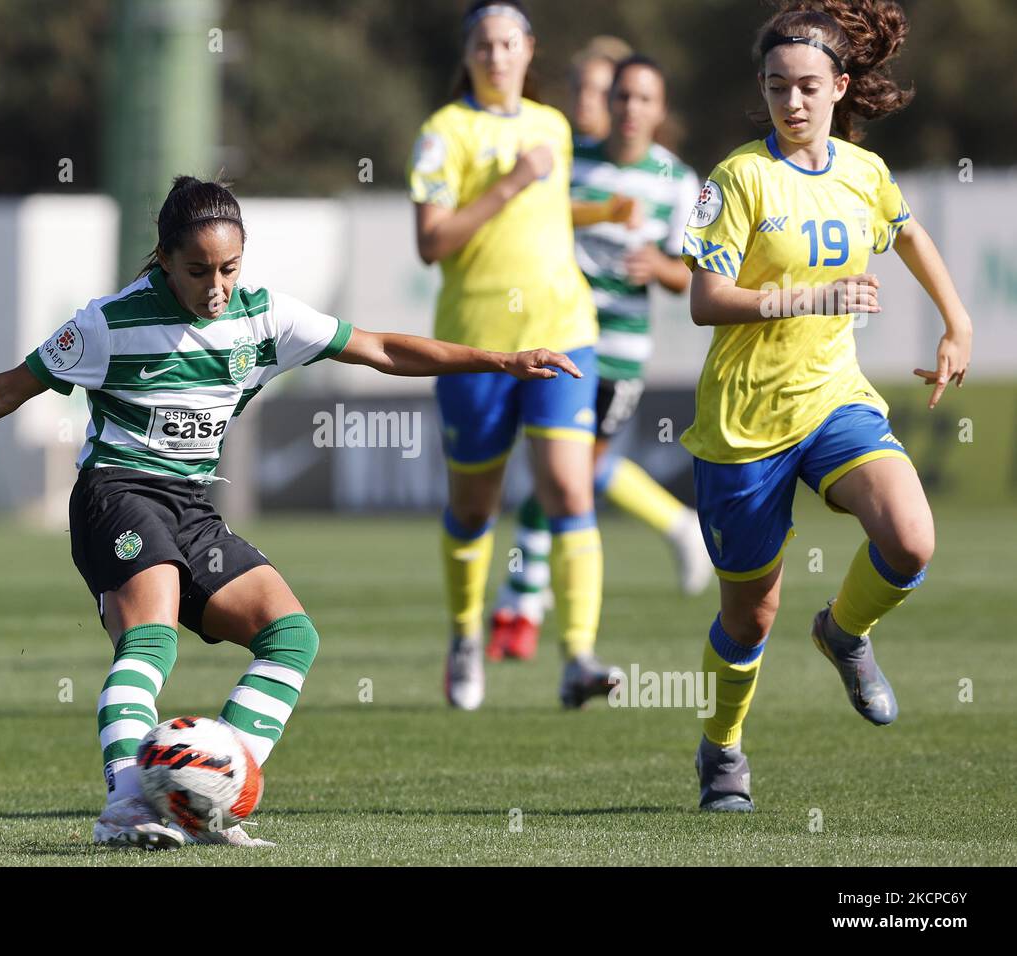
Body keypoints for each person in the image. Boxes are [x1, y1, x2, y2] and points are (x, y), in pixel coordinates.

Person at [0, 175, 581, 848]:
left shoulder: (263, 317)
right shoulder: (109, 324)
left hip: (188, 504)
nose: (216, 286)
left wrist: (502, 359)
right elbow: (5, 389)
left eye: (229, 268)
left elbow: (379, 348)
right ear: (166, 258)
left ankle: (209, 795)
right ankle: (124, 803)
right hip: (116, 491)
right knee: (152, 637)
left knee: (292, 637)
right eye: (198, 269)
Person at [682, 0, 971, 811]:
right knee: (749, 619)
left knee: (910, 541)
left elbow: (907, 233)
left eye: (808, 86)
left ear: (841, 85)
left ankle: (844, 633)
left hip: (833, 399)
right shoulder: (737, 178)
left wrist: (959, 321)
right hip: (742, 423)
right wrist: (807, 297)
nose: (793, 102)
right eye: (777, 87)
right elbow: (706, 300)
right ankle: (723, 751)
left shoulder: (862, 173)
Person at [408, 0, 611, 711]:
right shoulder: (443, 133)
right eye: (483, 46)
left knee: (568, 489)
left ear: (529, 50)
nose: (496, 57)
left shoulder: (552, 125)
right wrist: (512, 181)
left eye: (508, 44)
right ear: (468, 56)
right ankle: (466, 637)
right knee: (474, 504)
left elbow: (548, 219)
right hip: (477, 346)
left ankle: (578, 656)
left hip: (563, 329)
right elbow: (432, 241)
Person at [490, 51, 714, 666]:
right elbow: (536, 223)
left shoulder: (677, 181)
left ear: (660, 110)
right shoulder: (574, 162)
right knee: (563, 474)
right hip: (557, 338)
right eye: (622, 97)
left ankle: (525, 603)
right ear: (607, 102)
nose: (632, 109)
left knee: (572, 474)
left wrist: (660, 267)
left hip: (617, 356)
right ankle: (526, 605)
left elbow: (689, 276)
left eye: (645, 99)